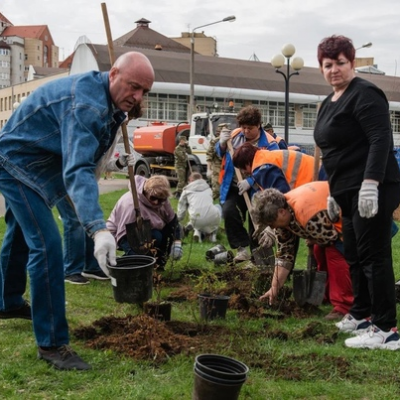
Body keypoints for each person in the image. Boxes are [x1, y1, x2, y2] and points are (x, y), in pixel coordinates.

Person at [0, 51, 155, 370]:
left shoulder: (107, 103)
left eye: (144, 91)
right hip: (16, 163)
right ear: (113, 74)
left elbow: (89, 154)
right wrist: (99, 229)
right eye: (133, 86)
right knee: (46, 245)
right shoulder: (86, 104)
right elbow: (78, 168)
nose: (137, 96)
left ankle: (8, 302)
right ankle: (52, 344)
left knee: (19, 235)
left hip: (37, 166)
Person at [314, 35, 400, 349]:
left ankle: (385, 329)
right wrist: (332, 192)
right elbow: (333, 153)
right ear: (320, 67)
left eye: (340, 63)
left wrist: (371, 184)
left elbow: (380, 141)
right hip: (346, 192)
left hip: (373, 188)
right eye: (328, 64)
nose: (334, 69)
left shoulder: (366, 94)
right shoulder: (328, 102)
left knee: (374, 256)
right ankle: (362, 314)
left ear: (351, 62)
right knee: (353, 255)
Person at [252, 182, 353, 320]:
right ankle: (327, 293)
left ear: (281, 212)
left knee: (333, 255)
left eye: (272, 223)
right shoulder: (283, 216)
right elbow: (284, 256)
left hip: (354, 220)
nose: (273, 228)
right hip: (328, 227)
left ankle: (344, 306)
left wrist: (314, 237)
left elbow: (332, 240)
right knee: (319, 251)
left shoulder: (307, 214)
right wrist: (274, 288)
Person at [59, 149, 135, 285]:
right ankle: (71, 270)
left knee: (91, 222)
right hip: (68, 180)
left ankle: (91, 267)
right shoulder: (96, 128)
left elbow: (99, 163)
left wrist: (119, 163)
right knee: (74, 222)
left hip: (85, 184)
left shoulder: (111, 131)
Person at [216, 105, 279, 262]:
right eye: (243, 127)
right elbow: (221, 153)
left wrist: (251, 181)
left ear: (258, 125)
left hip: (259, 189)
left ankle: (258, 259)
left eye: (249, 128)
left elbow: (271, 169)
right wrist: (222, 144)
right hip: (234, 185)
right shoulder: (235, 136)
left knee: (256, 222)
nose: (245, 131)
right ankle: (241, 248)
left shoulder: (270, 144)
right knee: (230, 211)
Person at [106, 175, 183, 269]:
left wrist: (177, 243)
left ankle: (159, 264)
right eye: (153, 198)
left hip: (147, 230)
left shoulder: (163, 201)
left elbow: (173, 222)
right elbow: (124, 236)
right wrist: (139, 255)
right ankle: (119, 263)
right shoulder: (130, 204)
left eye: (160, 199)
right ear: (145, 192)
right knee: (141, 263)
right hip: (125, 233)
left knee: (159, 235)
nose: (156, 202)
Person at [232, 142, 315, 191]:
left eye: (242, 168)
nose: (243, 172)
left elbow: (280, 194)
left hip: (312, 181)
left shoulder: (261, 169)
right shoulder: (264, 156)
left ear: (247, 163)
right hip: (315, 175)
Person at [177, 172, 222, 243]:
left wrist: (178, 219)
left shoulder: (186, 191)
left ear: (190, 180)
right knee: (218, 207)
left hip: (196, 219)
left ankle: (197, 232)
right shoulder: (208, 189)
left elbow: (181, 208)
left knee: (195, 213)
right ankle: (213, 235)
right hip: (212, 217)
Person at [206, 123, 224, 200]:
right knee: (216, 189)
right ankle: (207, 203)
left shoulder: (230, 141)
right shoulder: (215, 141)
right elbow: (209, 155)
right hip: (217, 167)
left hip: (225, 167)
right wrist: (209, 169)